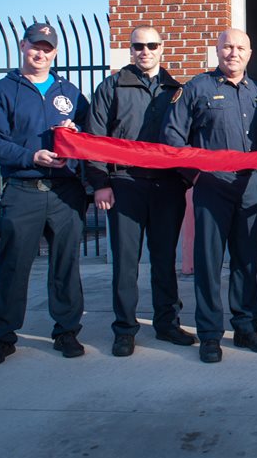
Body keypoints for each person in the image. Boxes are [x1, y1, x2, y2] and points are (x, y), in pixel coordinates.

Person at [0, 22, 90, 365]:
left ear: (55, 52)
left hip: (65, 192)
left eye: (47, 48)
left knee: (66, 266)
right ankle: (2, 336)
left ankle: (66, 331)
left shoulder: (69, 91)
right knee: (13, 266)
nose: (40, 53)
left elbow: (90, 132)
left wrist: (76, 131)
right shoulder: (1, 91)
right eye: (35, 46)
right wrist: (29, 156)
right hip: (23, 189)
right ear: (23, 45)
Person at [161, 29, 257, 364]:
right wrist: (194, 175)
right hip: (212, 188)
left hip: (250, 189)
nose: (233, 53)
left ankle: (246, 327)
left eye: (240, 47)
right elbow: (172, 136)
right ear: (217, 50)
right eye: (227, 47)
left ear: (249, 53)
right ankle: (210, 335)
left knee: (247, 262)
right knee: (209, 264)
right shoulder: (196, 88)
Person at [87, 25, 195, 357]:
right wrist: (100, 183)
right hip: (125, 185)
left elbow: (190, 136)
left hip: (167, 187)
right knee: (126, 261)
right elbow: (94, 136)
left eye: (151, 45)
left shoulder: (176, 90)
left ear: (162, 48)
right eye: (138, 46)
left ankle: (167, 324)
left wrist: (190, 177)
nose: (144, 51)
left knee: (164, 260)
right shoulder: (112, 87)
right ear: (130, 49)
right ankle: (125, 329)